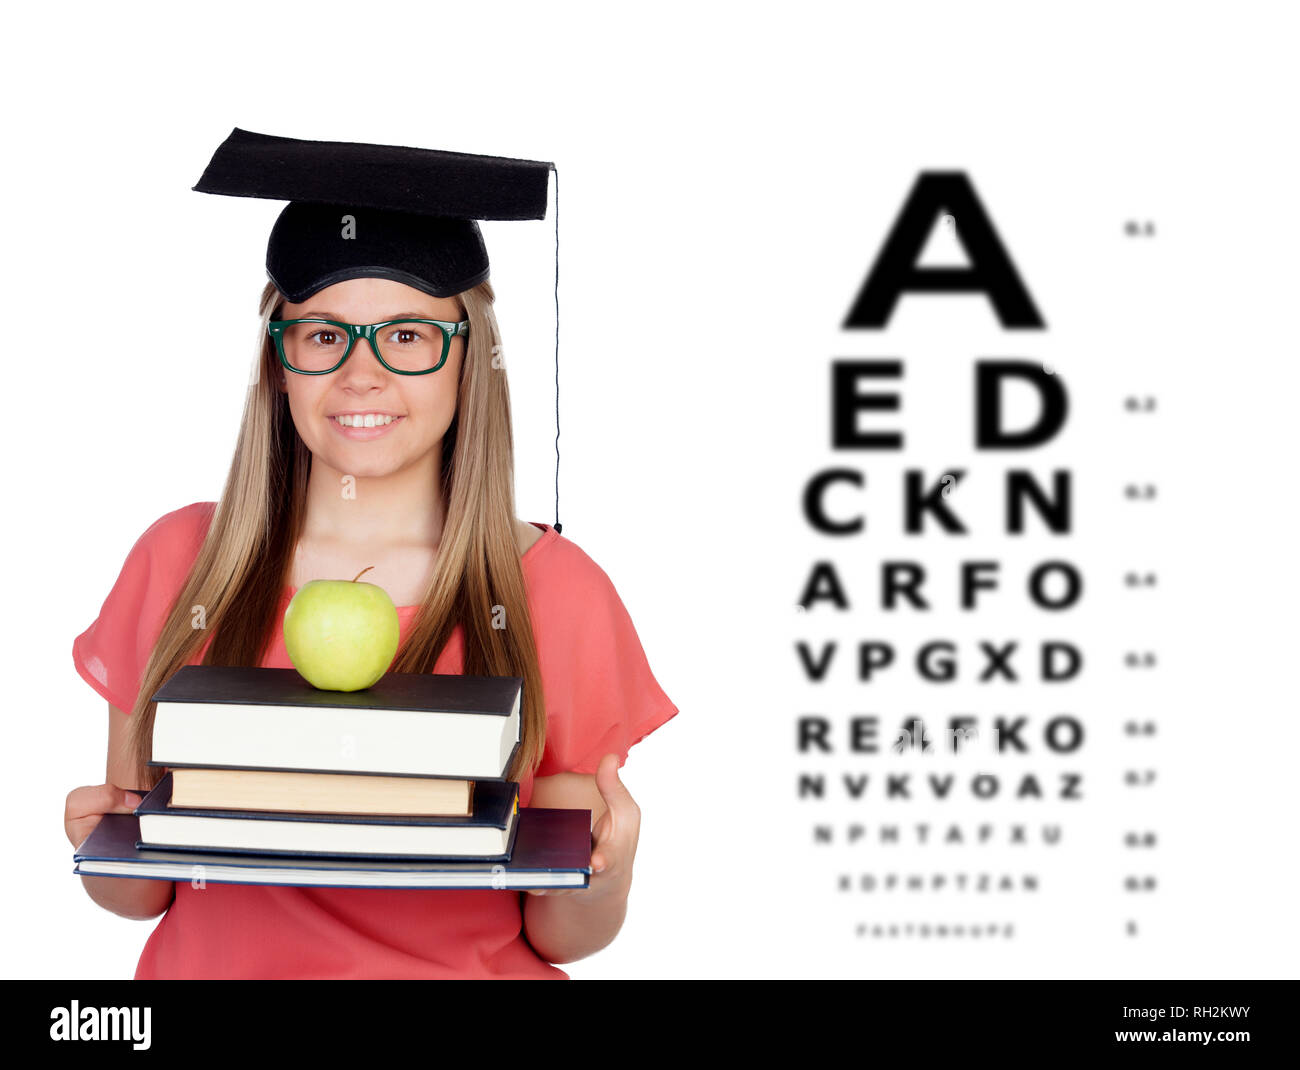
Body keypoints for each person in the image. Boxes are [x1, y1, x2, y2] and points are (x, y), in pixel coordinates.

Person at [64, 129, 679, 979]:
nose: (362, 375)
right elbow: (143, 892)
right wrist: (97, 843)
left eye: (408, 337)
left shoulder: (554, 593)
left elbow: (560, 932)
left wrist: (606, 877)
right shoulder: (182, 564)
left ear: (469, 363)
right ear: (279, 365)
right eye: (322, 336)